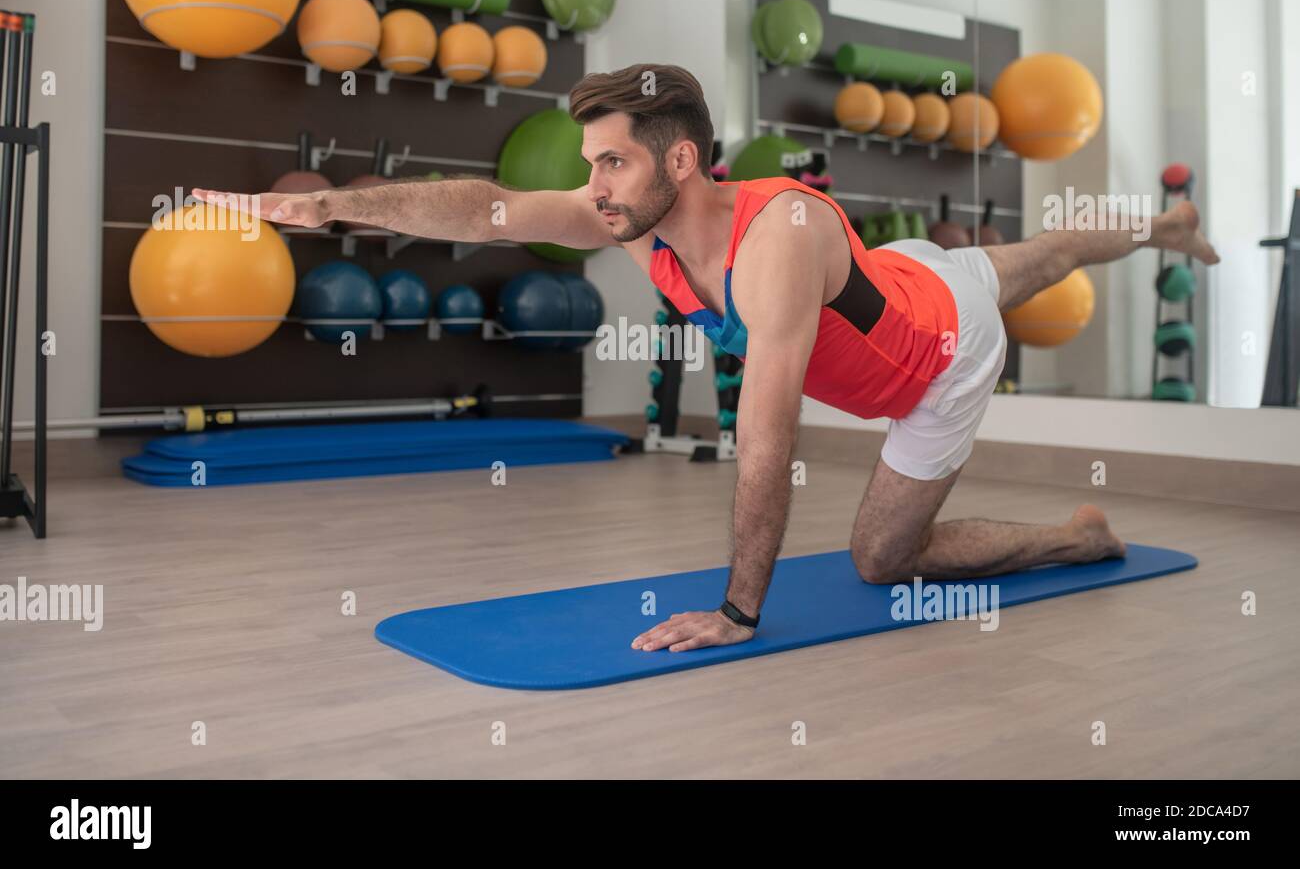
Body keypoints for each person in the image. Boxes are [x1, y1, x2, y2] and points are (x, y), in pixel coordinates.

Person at [194, 63, 1219, 655]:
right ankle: (1165, 225)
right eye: (591, 161)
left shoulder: (771, 244)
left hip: (942, 359)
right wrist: (333, 204)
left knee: (879, 561)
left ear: (677, 161)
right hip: (905, 276)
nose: (591, 184)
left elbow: (766, 444)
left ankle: (1079, 536)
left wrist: (738, 611)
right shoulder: (637, 218)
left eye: (611, 160)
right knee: (1043, 250)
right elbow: (490, 206)